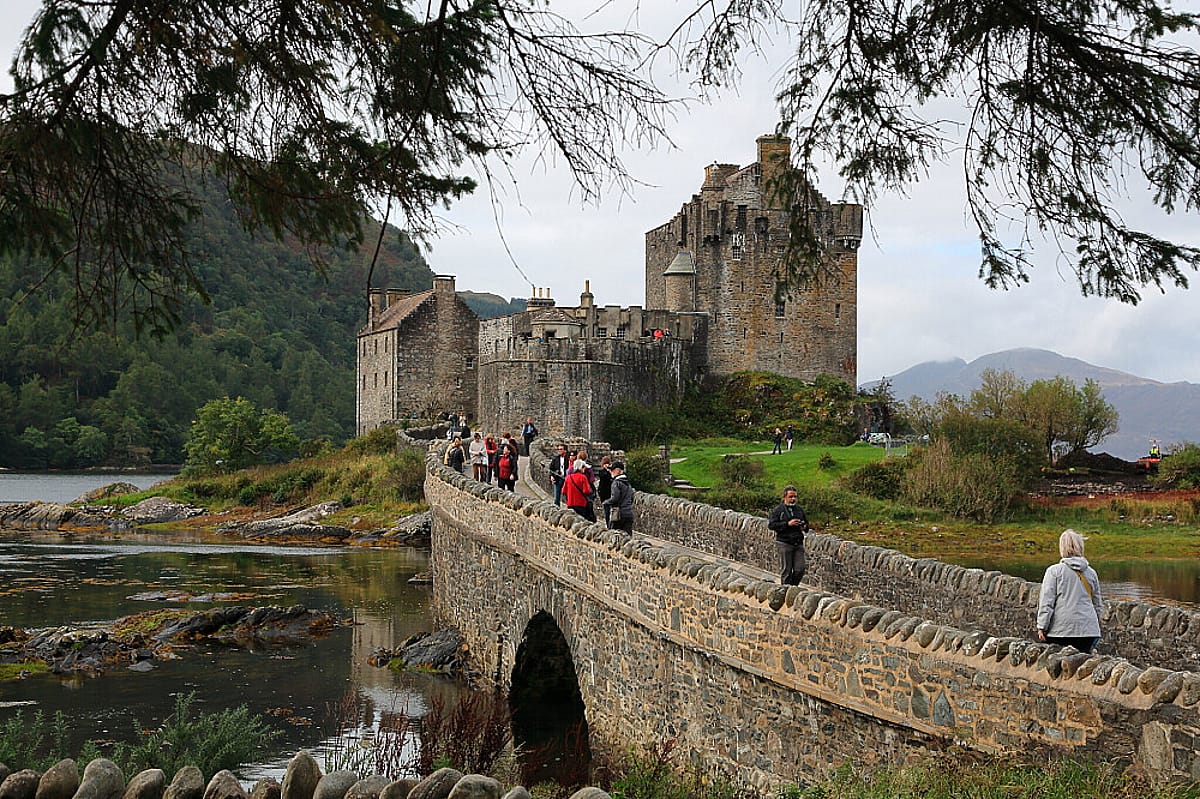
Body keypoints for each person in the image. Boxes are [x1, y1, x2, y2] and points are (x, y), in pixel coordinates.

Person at [1037, 529, 1104, 653]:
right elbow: (1097, 604)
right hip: (1088, 631)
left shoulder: (1054, 571)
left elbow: (1047, 602)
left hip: (1061, 630)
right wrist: (1094, 625)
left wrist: (1042, 626)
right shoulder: (1091, 573)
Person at [767, 485, 808, 585]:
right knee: (786, 570)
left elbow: (807, 525)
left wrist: (804, 527)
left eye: (795, 497)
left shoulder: (799, 510)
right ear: (784, 497)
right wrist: (787, 524)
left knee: (800, 569)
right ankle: (785, 590)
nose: (793, 499)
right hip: (784, 543)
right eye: (791, 497)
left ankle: (792, 588)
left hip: (798, 543)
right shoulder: (778, 510)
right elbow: (771, 525)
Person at [603, 461, 634, 531]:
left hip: (618, 515)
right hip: (629, 513)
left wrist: (606, 502)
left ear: (618, 471)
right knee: (627, 537)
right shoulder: (628, 483)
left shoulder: (616, 483)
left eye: (612, 470)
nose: (610, 472)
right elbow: (632, 498)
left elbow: (615, 498)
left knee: (615, 535)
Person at [597, 455, 614, 526]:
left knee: (612, 510)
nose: (606, 465)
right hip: (604, 494)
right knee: (606, 510)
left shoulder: (611, 472)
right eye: (605, 464)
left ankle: (612, 524)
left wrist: (610, 472)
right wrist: (607, 471)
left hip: (611, 493)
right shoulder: (601, 472)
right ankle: (608, 524)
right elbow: (604, 477)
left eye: (608, 463)